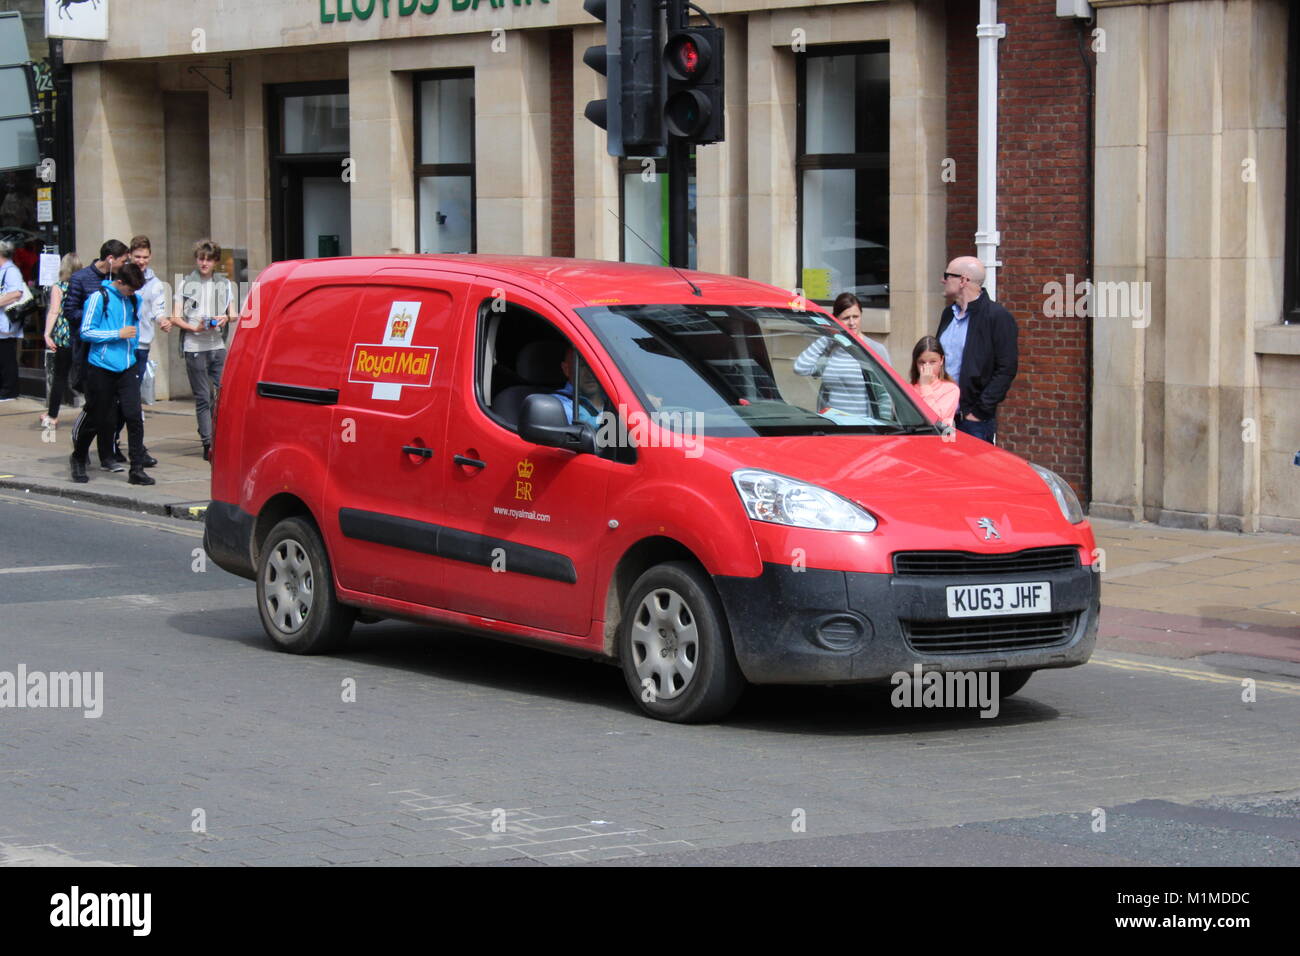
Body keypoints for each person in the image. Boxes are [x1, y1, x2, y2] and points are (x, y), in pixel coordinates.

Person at [68, 261, 153, 486]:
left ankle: (136, 469)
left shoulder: (134, 299)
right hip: (102, 367)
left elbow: (134, 330)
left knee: (134, 417)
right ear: (119, 282)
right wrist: (117, 333)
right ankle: (78, 457)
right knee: (98, 418)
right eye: (130, 288)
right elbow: (86, 331)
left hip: (127, 367)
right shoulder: (99, 297)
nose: (132, 293)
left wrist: (133, 350)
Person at [160, 238, 236, 461]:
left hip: (217, 345)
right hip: (195, 346)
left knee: (222, 396)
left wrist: (224, 318)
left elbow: (234, 313)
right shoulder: (186, 283)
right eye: (201, 259)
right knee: (204, 396)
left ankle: (219, 437)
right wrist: (193, 327)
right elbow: (175, 316)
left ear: (215, 262)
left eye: (209, 259)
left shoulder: (225, 284)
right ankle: (207, 443)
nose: (204, 263)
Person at [937, 255, 1019, 443]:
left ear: (963, 280)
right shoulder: (947, 314)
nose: (943, 280)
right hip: (943, 415)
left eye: (947, 275)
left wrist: (979, 411)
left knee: (971, 470)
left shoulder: (997, 317)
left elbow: (1006, 369)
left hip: (973, 419)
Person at [66, 240, 130, 469]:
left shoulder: (119, 280)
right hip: (87, 353)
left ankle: (108, 456)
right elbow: (70, 312)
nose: (127, 264)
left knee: (113, 407)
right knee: (95, 407)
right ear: (111, 259)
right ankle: (79, 452)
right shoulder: (81, 279)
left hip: (114, 352)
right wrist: (99, 312)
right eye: (124, 260)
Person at [109, 236, 164, 466]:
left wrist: (163, 321)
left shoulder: (156, 284)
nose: (142, 261)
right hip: (117, 346)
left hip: (140, 347)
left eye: (145, 257)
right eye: (138, 256)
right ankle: (112, 444)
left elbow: (158, 309)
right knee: (118, 401)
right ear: (130, 255)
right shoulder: (120, 279)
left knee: (131, 402)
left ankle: (132, 450)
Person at [793, 293, 893, 418]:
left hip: (865, 428)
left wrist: (883, 426)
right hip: (832, 427)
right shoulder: (829, 349)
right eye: (846, 318)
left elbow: (885, 395)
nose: (852, 323)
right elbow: (800, 368)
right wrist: (828, 337)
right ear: (835, 320)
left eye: (856, 317)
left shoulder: (875, 349)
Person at [40, 253, 82, 428]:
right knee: (83, 376)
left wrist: (47, 334)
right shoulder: (82, 285)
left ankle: (52, 415)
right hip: (80, 334)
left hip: (64, 336)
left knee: (60, 377)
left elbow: (54, 311)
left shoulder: (58, 287)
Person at [908, 335, 960, 429]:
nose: (927, 367)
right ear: (916, 363)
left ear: (941, 361)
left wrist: (925, 386)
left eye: (932, 362)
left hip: (939, 439)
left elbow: (936, 421)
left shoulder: (951, 389)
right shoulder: (909, 389)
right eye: (922, 362)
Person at [553, 346, 606, 427]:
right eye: (582, 365)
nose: (590, 373)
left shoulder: (617, 397)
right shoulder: (558, 405)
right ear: (566, 369)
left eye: (595, 365)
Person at [0, 240, 26, 401]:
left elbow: (17, 292)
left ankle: (9, 390)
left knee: (6, 357)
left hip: (6, 321)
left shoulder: (11, 271)